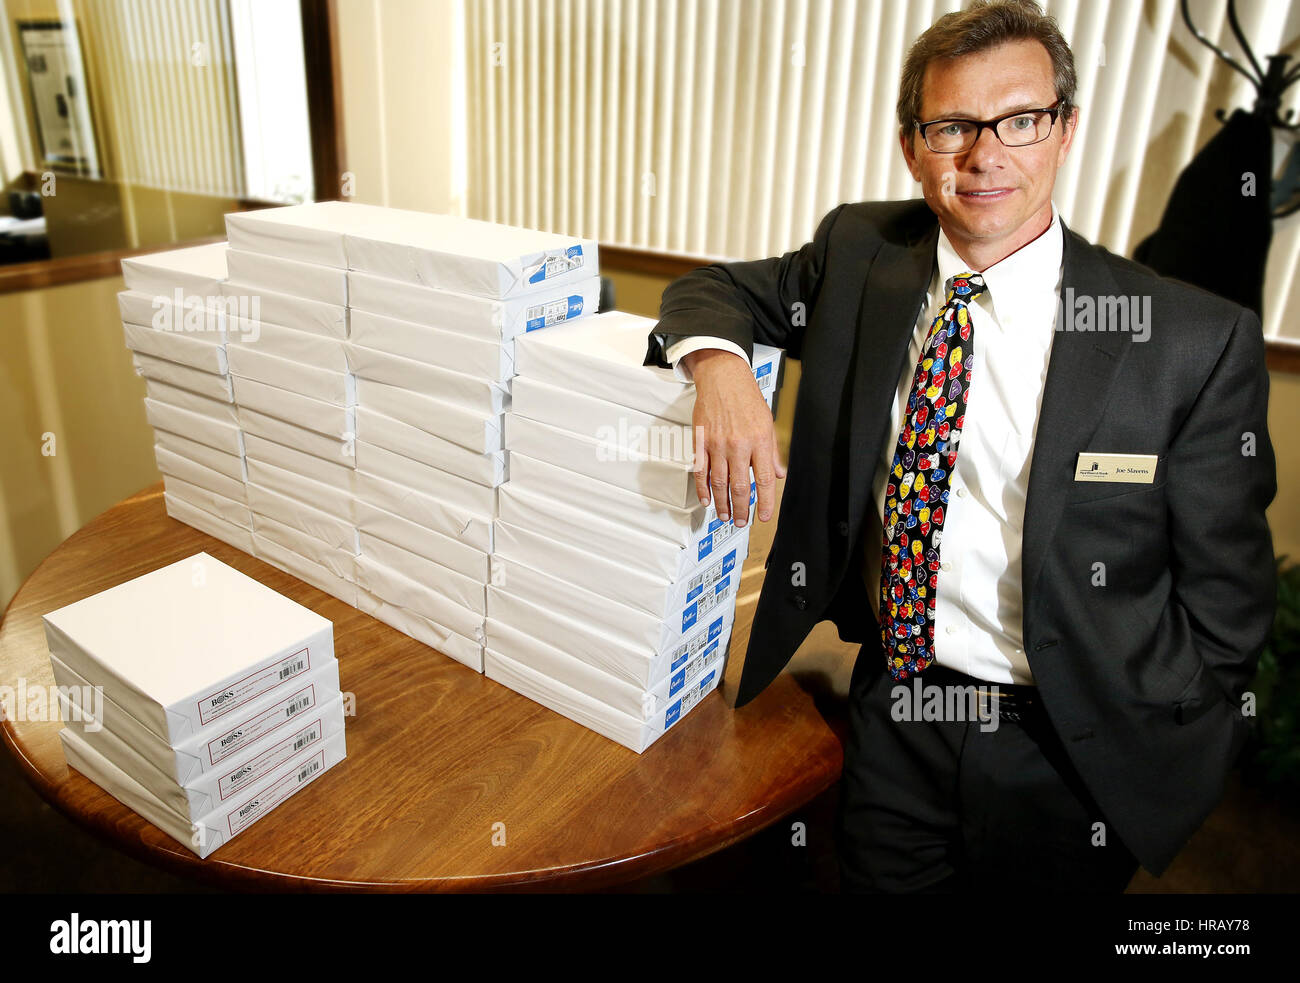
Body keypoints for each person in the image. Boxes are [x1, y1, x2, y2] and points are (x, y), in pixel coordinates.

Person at [644, 0, 1277, 892]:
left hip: (1073, 748)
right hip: (896, 709)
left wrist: (1180, 743)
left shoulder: (1185, 340)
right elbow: (710, 291)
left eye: (1020, 120)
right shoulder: (862, 252)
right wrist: (721, 369)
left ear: (1065, 131)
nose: (985, 156)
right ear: (913, 147)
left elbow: (1228, 603)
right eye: (952, 127)